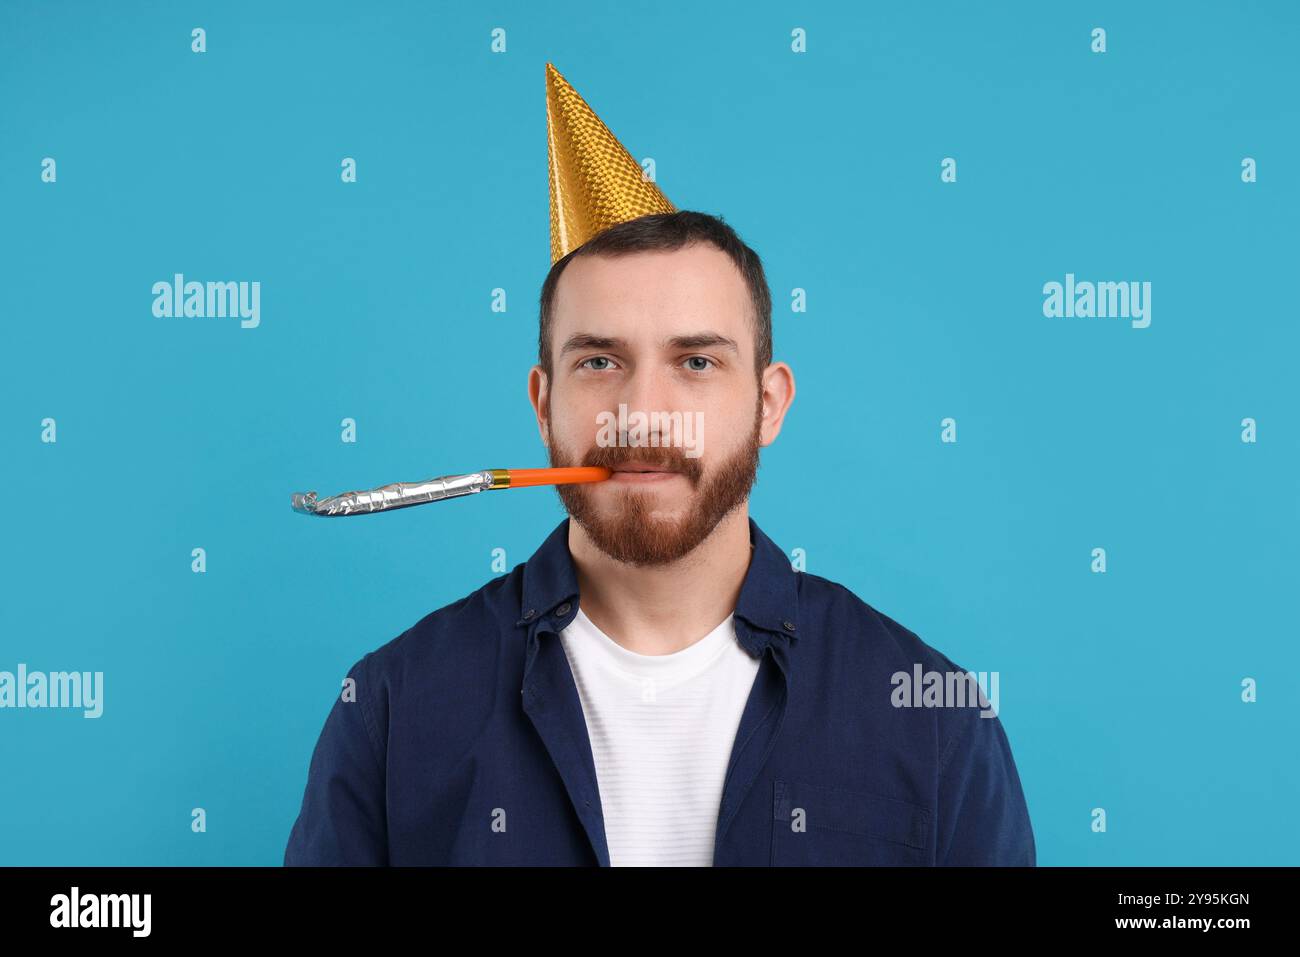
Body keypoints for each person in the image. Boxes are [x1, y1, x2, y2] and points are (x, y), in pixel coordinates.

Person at [283, 64, 1035, 867]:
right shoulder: (393, 710)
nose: (643, 413)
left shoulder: (934, 720)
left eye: (697, 362)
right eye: (600, 362)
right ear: (543, 404)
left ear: (770, 402)